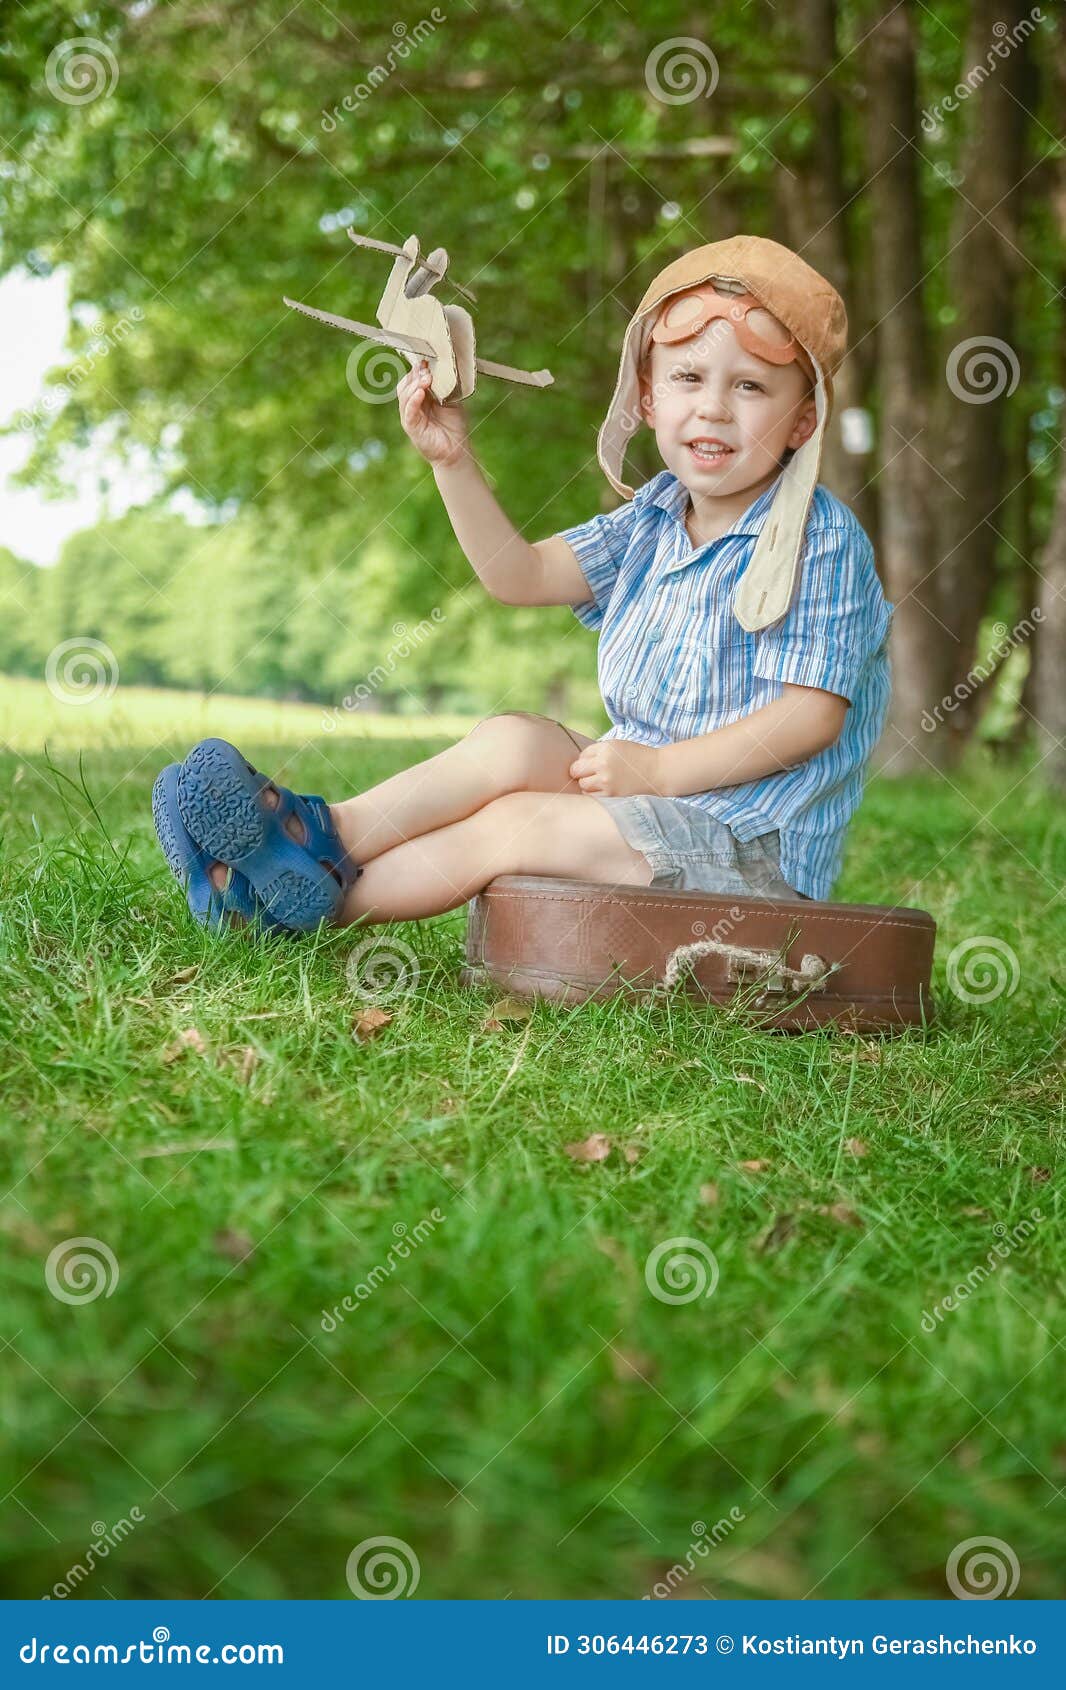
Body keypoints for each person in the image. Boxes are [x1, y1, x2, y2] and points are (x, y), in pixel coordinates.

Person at [152, 234, 893, 933]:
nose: (713, 407)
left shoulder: (817, 540)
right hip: (646, 806)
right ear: (647, 397)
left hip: (748, 856)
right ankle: (318, 834)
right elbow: (520, 574)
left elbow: (809, 718)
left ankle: (292, 909)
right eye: (689, 377)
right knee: (512, 743)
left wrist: (662, 770)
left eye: (752, 387)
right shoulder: (653, 519)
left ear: (802, 422)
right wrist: (452, 459)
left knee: (517, 822)